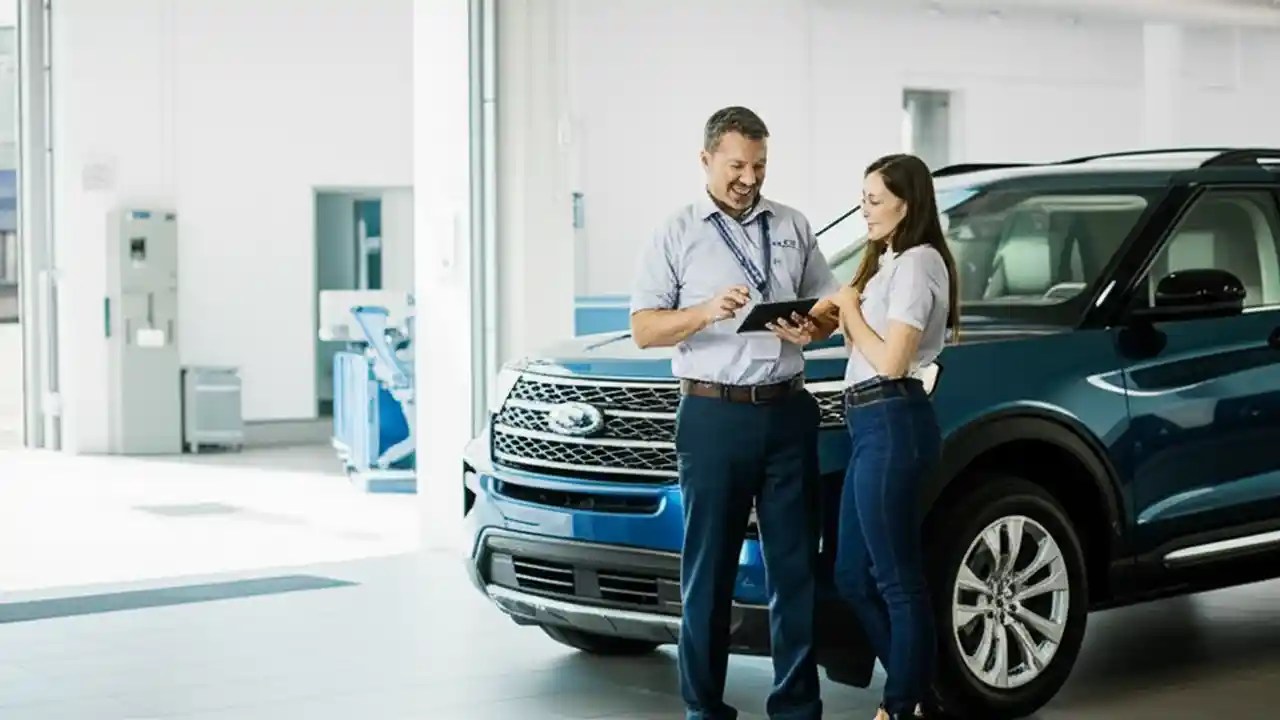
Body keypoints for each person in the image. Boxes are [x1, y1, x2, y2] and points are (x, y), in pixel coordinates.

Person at [629, 105, 842, 720]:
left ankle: (797, 707)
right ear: (705, 161)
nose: (749, 178)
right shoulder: (676, 232)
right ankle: (704, 708)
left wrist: (812, 326)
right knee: (709, 572)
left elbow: (828, 304)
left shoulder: (794, 225)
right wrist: (704, 313)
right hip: (712, 416)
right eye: (737, 166)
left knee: (795, 569)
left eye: (760, 165)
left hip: (786, 411)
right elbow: (644, 329)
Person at [813, 153, 960, 720]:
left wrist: (849, 306)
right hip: (868, 423)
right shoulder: (888, 262)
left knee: (897, 579)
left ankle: (901, 706)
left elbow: (893, 361)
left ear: (908, 203)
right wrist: (827, 319)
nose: (864, 210)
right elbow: (864, 349)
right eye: (863, 198)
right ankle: (919, 695)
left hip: (895, 421)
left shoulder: (920, 263)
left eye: (874, 200)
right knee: (852, 574)